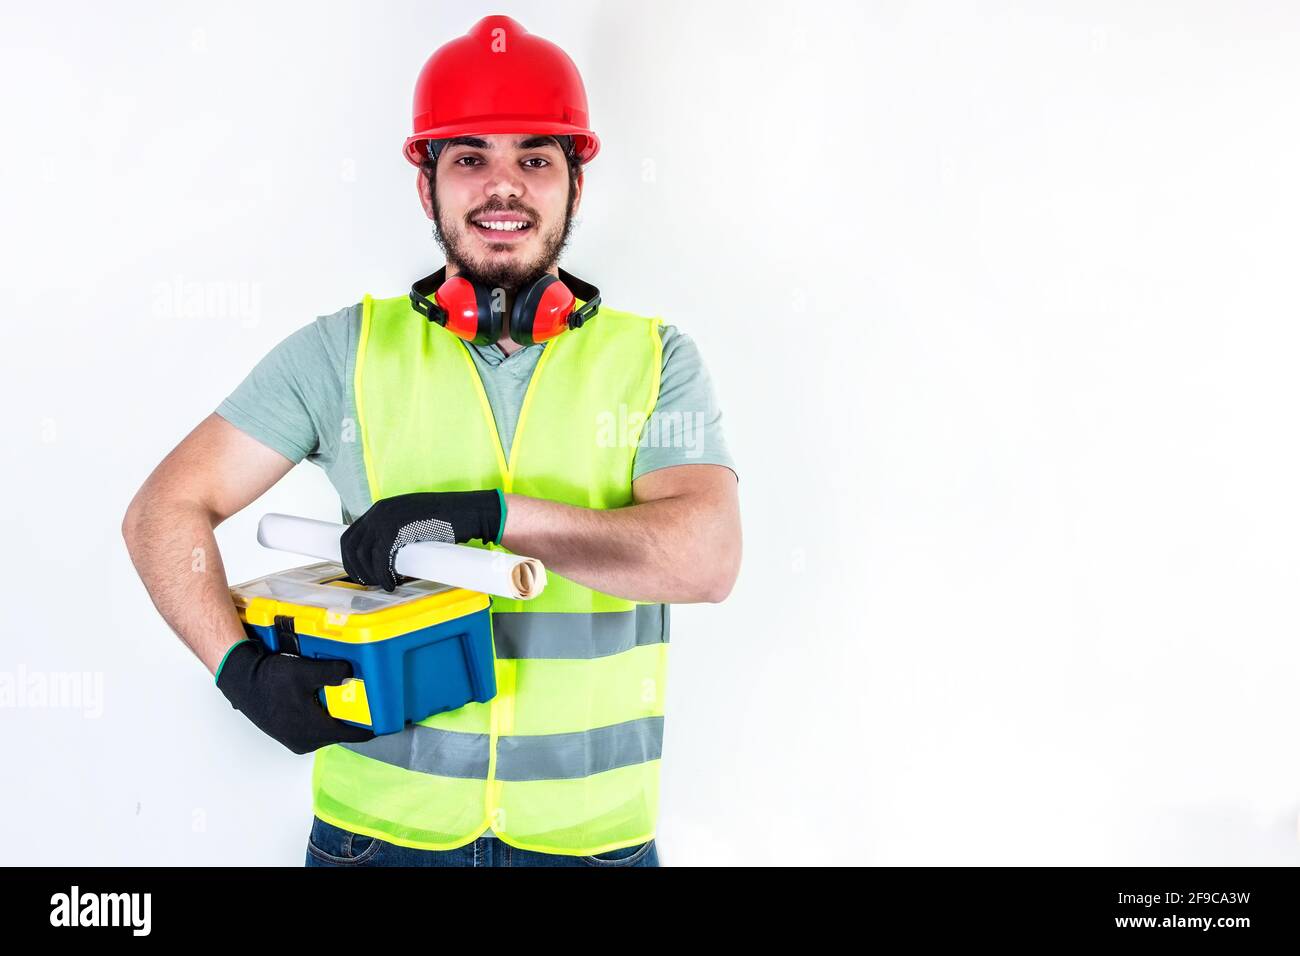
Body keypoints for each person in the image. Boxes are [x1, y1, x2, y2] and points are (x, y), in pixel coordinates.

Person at [122, 14, 741, 868]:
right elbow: (164, 510)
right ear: (427, 187)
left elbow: (705, 560)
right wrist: (237, 670)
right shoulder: (344, 353)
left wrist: (491, 517)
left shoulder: (654, 359)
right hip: (377, 838)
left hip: (592, 845)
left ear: (574, 185)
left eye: (534, 158)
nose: (503, 186)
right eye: (469, 158)